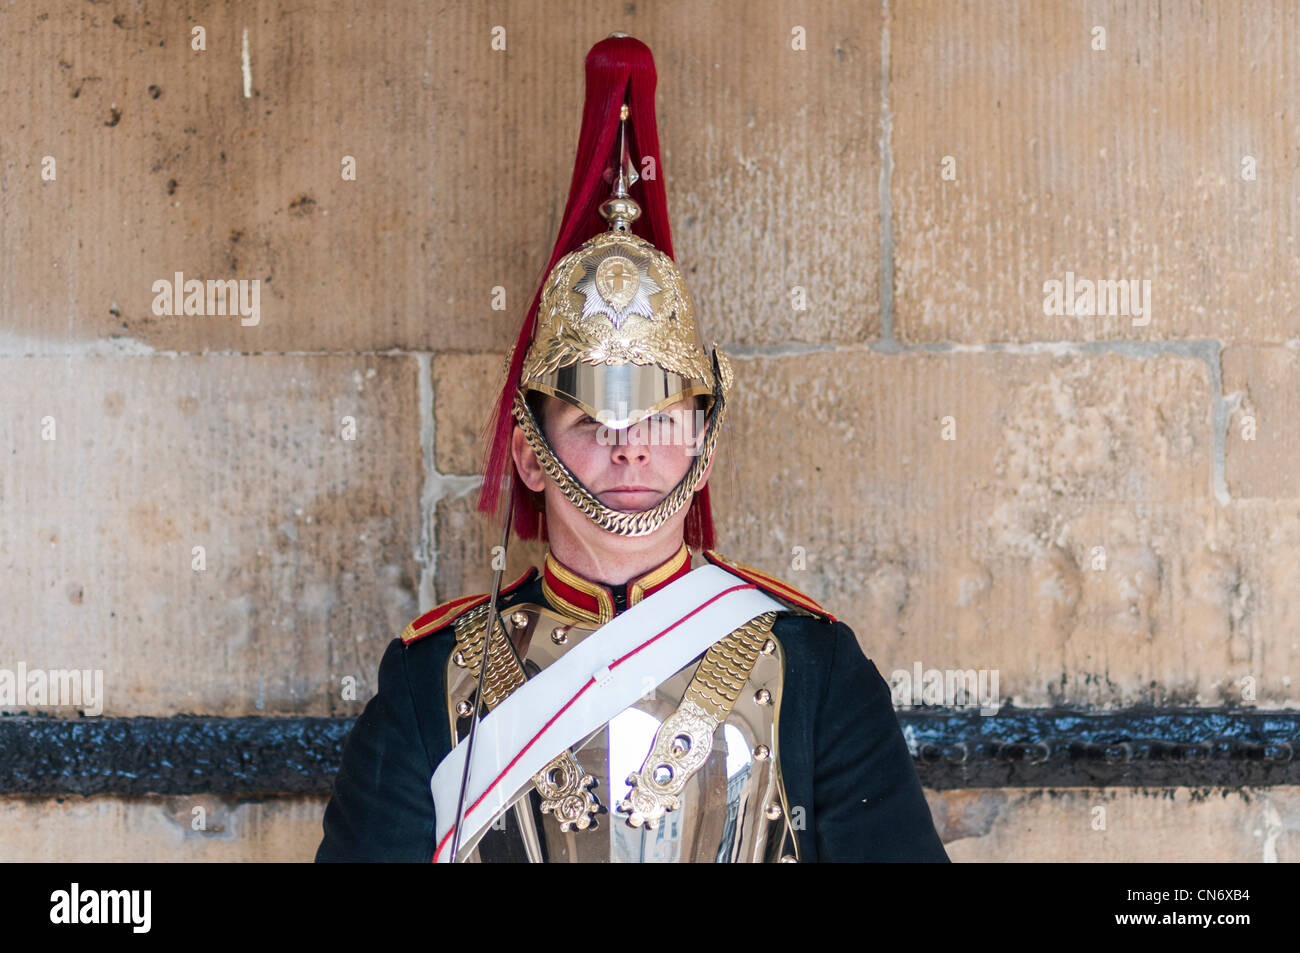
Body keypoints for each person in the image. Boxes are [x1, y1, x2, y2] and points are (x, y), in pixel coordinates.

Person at [315, 34, 948, 863]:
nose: (632, 453)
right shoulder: (427, 678)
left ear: (704, 449)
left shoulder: (813, 665)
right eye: (593, 424)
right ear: (531, 455)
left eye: (659, 422)